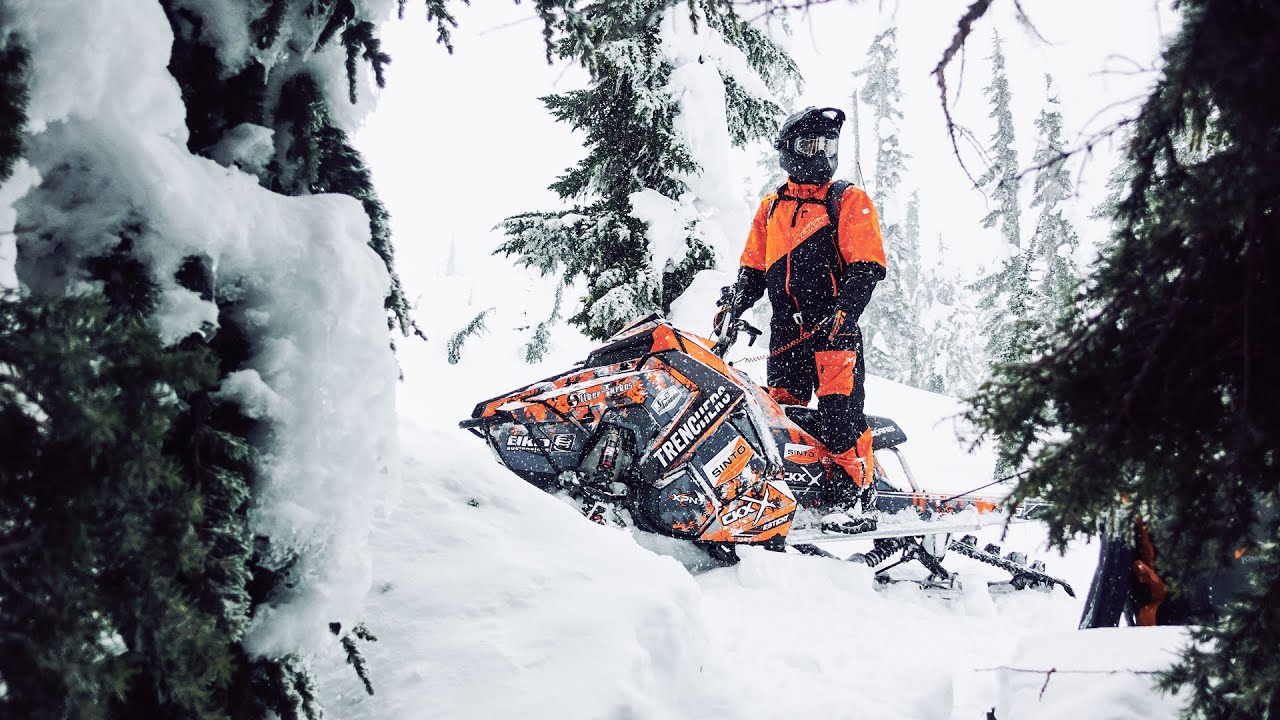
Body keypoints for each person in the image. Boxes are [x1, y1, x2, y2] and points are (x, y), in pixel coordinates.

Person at [714, 106, 886, 510]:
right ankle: (790, 488)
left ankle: (855, 496)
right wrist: (734, 305)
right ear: (789, 150)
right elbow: (752, 269)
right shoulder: (771, 208)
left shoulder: (847, 200)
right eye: (812, 144)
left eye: (829, 144)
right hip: (786, 330)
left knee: (838, 414)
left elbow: (866, 265)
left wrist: (845, 310)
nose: (822, 153)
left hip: (832, 329)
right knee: (781, 413)